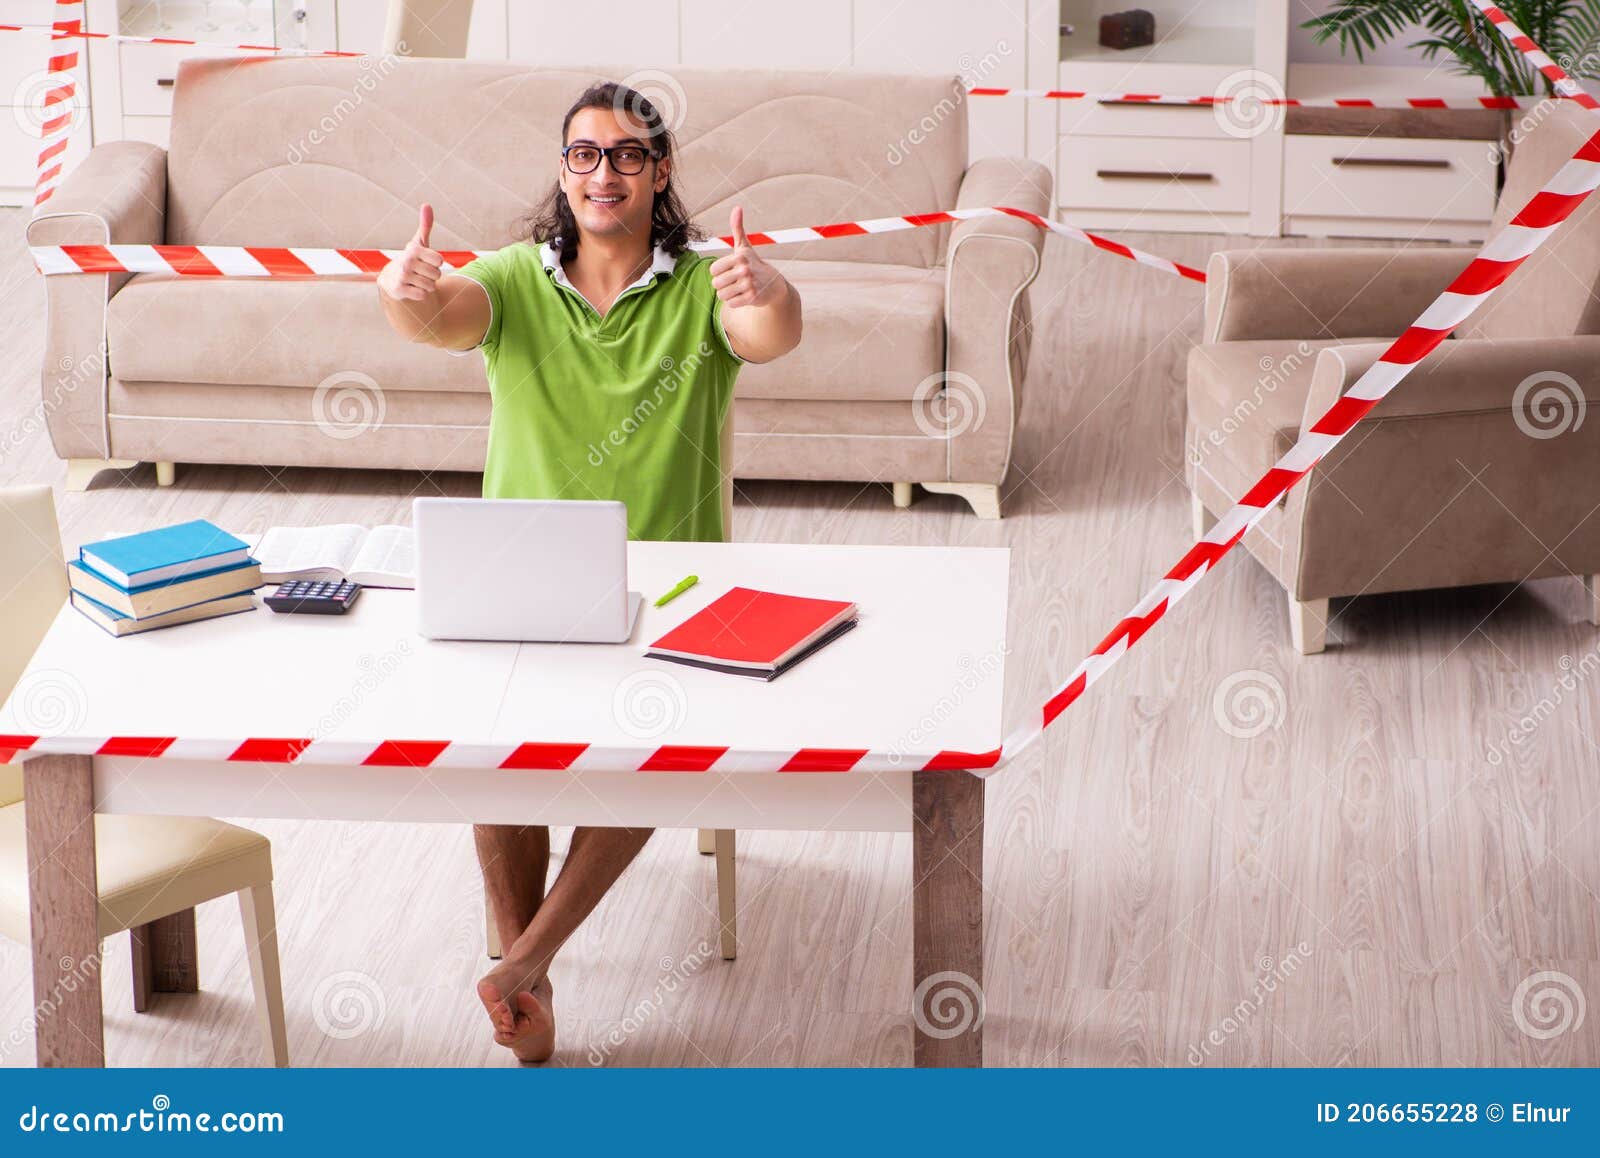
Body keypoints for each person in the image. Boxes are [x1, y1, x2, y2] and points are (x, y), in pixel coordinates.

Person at [377, 81, 801, 1062]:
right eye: (582, 154)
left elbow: (769, 338)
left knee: (647, 760)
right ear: (563, 172)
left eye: (623, 155)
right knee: (491, 762)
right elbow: (440, 315)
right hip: (519, 582)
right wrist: (396, 294)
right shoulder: (516, 280)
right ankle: (528, 986)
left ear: (659, 173)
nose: (601, 172)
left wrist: (770, 293)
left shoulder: (704, 284)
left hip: (678, 596)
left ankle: (522, 963)